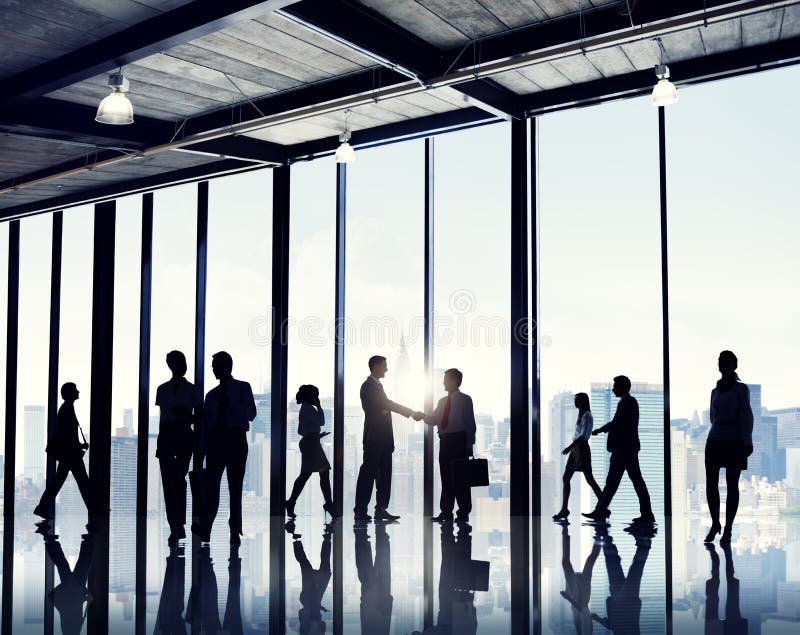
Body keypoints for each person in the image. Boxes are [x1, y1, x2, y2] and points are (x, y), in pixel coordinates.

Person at [193, 351, 256, 545]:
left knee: (234, 488)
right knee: (214, 488)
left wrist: (230, 407)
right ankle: (209, 527)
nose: (213, 369)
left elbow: (252, 413)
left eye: (215, 366)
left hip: (234, 438)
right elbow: (204, 425)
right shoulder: (211, 396)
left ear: (226, 367)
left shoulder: (242, 389)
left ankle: (233, 529)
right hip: (218, 440)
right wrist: (201, 451)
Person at [353, 355, 423, 523]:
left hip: (383, 439)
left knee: (384, 475)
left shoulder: (377, 386)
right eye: (384, 365)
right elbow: (386, 404)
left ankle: (381, 509)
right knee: (368, 475)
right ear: (376, 366)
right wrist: (411, 413)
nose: (387, 369)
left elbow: (385, 407)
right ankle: (360, 510)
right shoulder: (368, 386)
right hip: (374, 439)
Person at [583, 375, 654, 524]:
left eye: (615, 386)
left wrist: (601, 429)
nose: (613, 389)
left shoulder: (630, 402)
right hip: (620, 450)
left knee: (635, 481)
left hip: (626, 449)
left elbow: (619, 424)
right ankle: (600, 511)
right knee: (613, 483)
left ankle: (647, 514)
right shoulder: (625, 402)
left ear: (623, 387)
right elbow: (618, 423)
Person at [704, 350, 753, 544]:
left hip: (734, 440)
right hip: (715, 439)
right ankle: (716, 523)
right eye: (721, 361)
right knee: (711, 484)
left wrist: (747, 439)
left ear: (734, 365)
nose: (723, 364)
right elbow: (711, 417)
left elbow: (747, 415)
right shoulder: (714, 391)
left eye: (727, 361)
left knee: (732, 485)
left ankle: (728, 529)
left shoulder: (741, 389)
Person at [155, 350, 202, 544]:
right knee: (170, 481)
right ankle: (176, 524)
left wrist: (184, 415)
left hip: (182, 434)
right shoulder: (163, 389)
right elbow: (162, 418)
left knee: (176, 479)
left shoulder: (191, 389)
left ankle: (178, 524)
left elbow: (199, 417)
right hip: (169, 435)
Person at [422, 368, 477, 523]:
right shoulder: (442, 402)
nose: (443, 382)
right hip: (445, 442)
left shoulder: (466, 400)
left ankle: (463, 513)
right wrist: (423, 416)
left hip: (459, 442)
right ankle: (446, 512)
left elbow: (470, 425)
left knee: (461, 479)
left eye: (446, 379)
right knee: (446, 478)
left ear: (454, 380)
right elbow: (434, 420)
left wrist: (468, 446)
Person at [34, 382, 92, 519]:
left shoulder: (67, 408)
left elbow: (68, 434)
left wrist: (79, 446)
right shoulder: (67, 409)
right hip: (71, 455)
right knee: (83, 483)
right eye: (75, 390)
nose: (78, 392)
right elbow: (67, 436)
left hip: (69, 454)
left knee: (61, 482)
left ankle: (42, 507)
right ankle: (94, 509)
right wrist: (79, 446)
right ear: (70, 393)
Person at [285, 384, 337, 518]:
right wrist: (319, 406)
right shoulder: (309, 408)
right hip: (312, 444)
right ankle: (328, 504)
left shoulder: (305, 408)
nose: (317, 398)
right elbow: (322, 421)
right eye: (316, 395)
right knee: (320, 473)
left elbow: (301, 430)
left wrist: (316, 435)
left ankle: (291, 502)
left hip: (311, 442)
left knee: (309, 474)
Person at [553, 392, 603, 521]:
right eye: (575, 400)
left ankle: (603, 507)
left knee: (589, 479)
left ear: (583, 401)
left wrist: (570, 447)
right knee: (566, 478)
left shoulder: (587, 416)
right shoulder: (580, 414)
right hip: (576, 449)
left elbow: (583, 436)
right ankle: (564, 509)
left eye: (577, 400)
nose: (575, 402)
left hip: (581, 449)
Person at [288, 523, 333, 633]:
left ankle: (327, 537)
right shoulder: (306, 627)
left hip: (314, 589)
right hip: (313, 589)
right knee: (306, 563)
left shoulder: (307, 627)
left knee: (312, 562)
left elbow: (321, 623)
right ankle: (297, 539)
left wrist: (316, 608)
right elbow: (320, 623)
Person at [559, 523, 600, 634]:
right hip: (578, 599)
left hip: (578, 597)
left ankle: (599, 536)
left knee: (587, 562)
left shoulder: (584, 631)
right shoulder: (584, 632)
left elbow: (584, 614)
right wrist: (567, 597)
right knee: (571, 563)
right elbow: (581, 609)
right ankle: (565, 531)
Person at [355, 522, 393, 634]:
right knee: (373, 563)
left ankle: (376, 532)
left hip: (379, 601)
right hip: (375, 600)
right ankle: (364, 534)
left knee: (382, 560)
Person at [705, 544, 747, 634]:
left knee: (717, 590)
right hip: (733, 627)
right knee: (728, 588)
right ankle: (723, 551)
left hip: (727, 627)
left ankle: (721, 552)